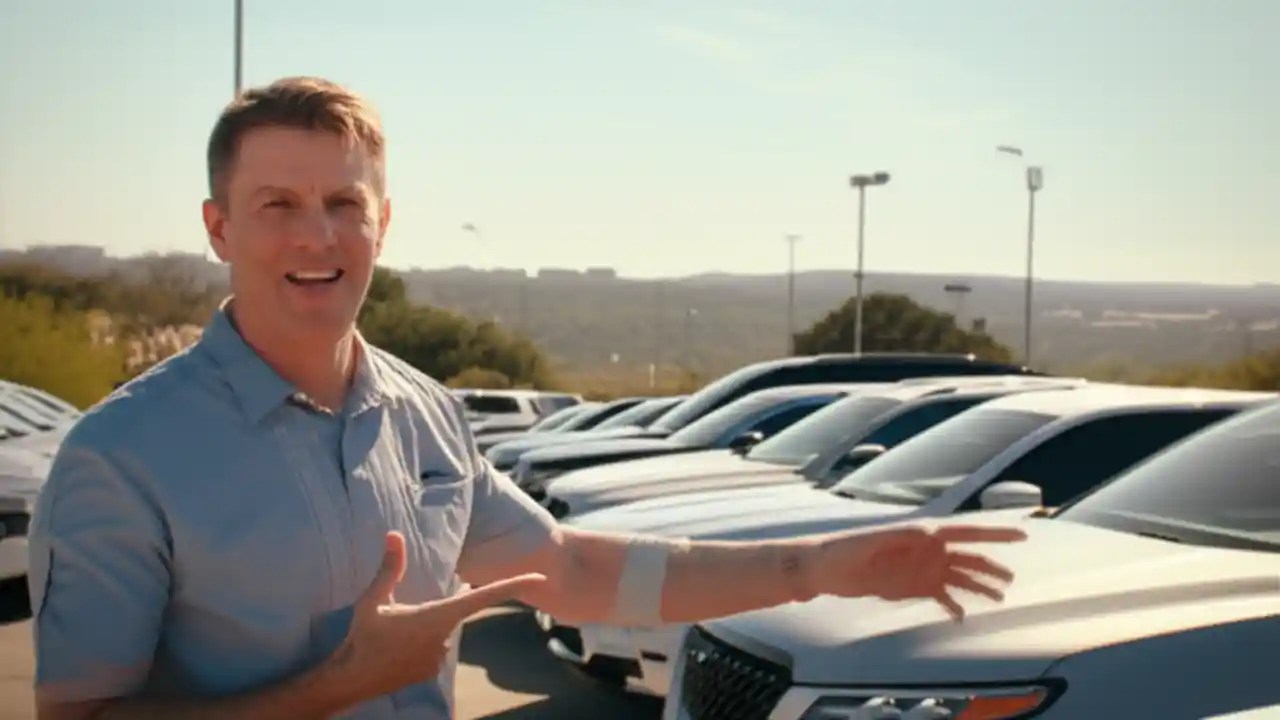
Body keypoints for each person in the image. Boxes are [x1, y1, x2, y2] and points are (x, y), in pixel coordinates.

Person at [28, 76, 1027, 720]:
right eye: (276, 205)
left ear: (382, 224)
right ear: (217, 227)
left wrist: (815, 563)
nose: (315, 238)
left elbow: (567, 569)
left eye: (343, 205)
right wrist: (332, 689)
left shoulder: (419, 412)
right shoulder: (122, 456)